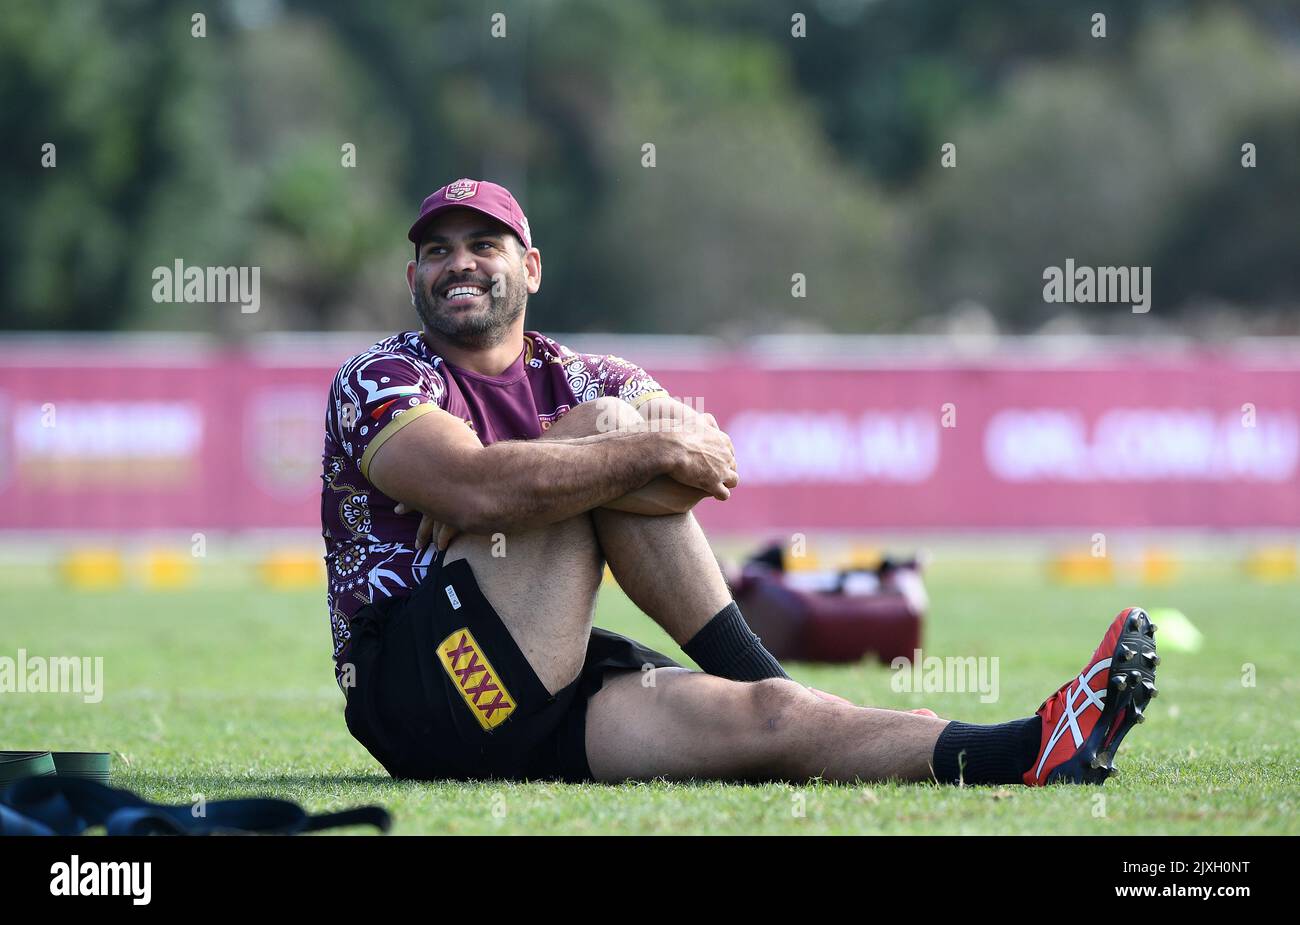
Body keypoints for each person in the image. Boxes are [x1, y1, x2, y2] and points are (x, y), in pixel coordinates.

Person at [320, 178, 1158, 786]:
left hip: (547, 681)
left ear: (530, 267)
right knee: (608, 434)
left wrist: (539, 481)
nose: (457, 264)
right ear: (413, 278)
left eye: (482, 245)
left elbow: (710, 461)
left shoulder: (581, 373)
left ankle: (1033, 748)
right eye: (437, 251)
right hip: (428, 686)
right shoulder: (384, 376)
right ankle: (759, 662)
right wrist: (553, 475)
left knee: (774, 721)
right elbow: (473, 489)